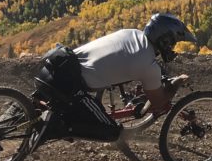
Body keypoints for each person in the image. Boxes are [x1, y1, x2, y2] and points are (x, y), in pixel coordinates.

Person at [32, 13, 195, 143]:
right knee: (112, 132)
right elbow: (159, 102)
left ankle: (25, 109)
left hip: (57, 64)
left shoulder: (131, 33)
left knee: (37, 102)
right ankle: (55, 126)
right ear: (166, 40)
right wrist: (177, 82)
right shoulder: (148, 67)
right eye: (173, 42)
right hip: (71, 88)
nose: (172, 47)